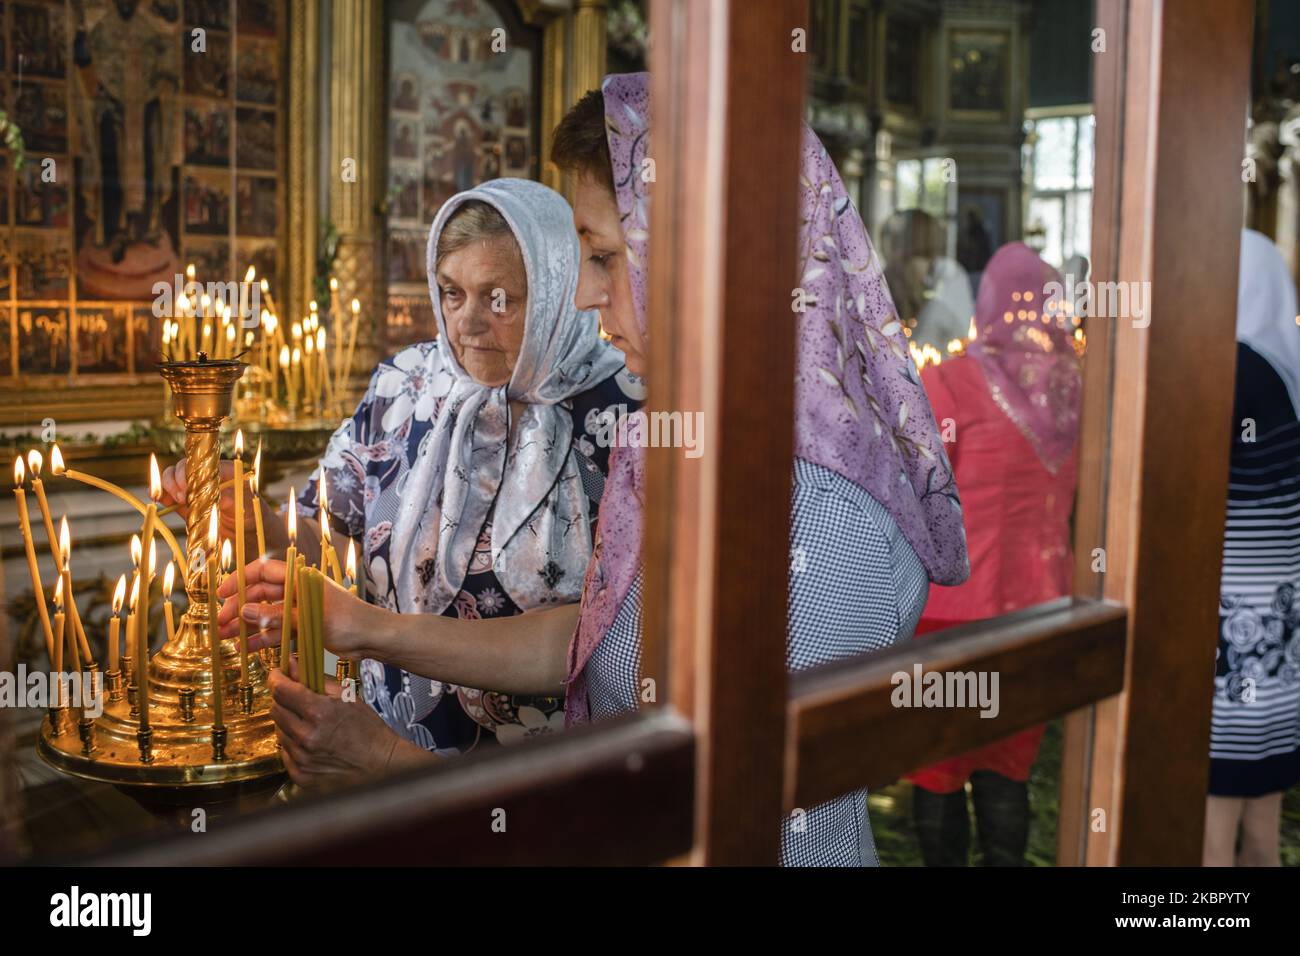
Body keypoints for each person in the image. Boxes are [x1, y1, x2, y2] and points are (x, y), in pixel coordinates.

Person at [224, 75, 969, 868]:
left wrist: (386, 769)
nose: (581, 294)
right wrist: (366, 628)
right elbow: (597, 639)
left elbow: (687, 829)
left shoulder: (816, 519)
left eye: (606, 257)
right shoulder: (688, 443)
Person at [165, 178, 633, 771]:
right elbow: (324, 541)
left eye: (499, 298)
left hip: (541, 787)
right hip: (368, 755)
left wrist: (372, 631)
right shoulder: (404, 386)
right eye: (451, 293)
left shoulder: (622, 409)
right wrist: (252, 519)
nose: (466, 323)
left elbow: (603, 633)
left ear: (559, 291)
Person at [905, 242, 1081, 866]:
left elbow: (914, 493)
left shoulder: (950, 383)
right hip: (1038, 616)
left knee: (938, 772)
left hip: (952, 618)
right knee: (1008, 772)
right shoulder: (1076, 393)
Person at [1203, 229, 1300, 867]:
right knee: (1263, 825)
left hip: (1232, 626)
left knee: (1209, 830)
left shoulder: (1229, 369)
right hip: (1284, 637)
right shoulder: (1288, 368)